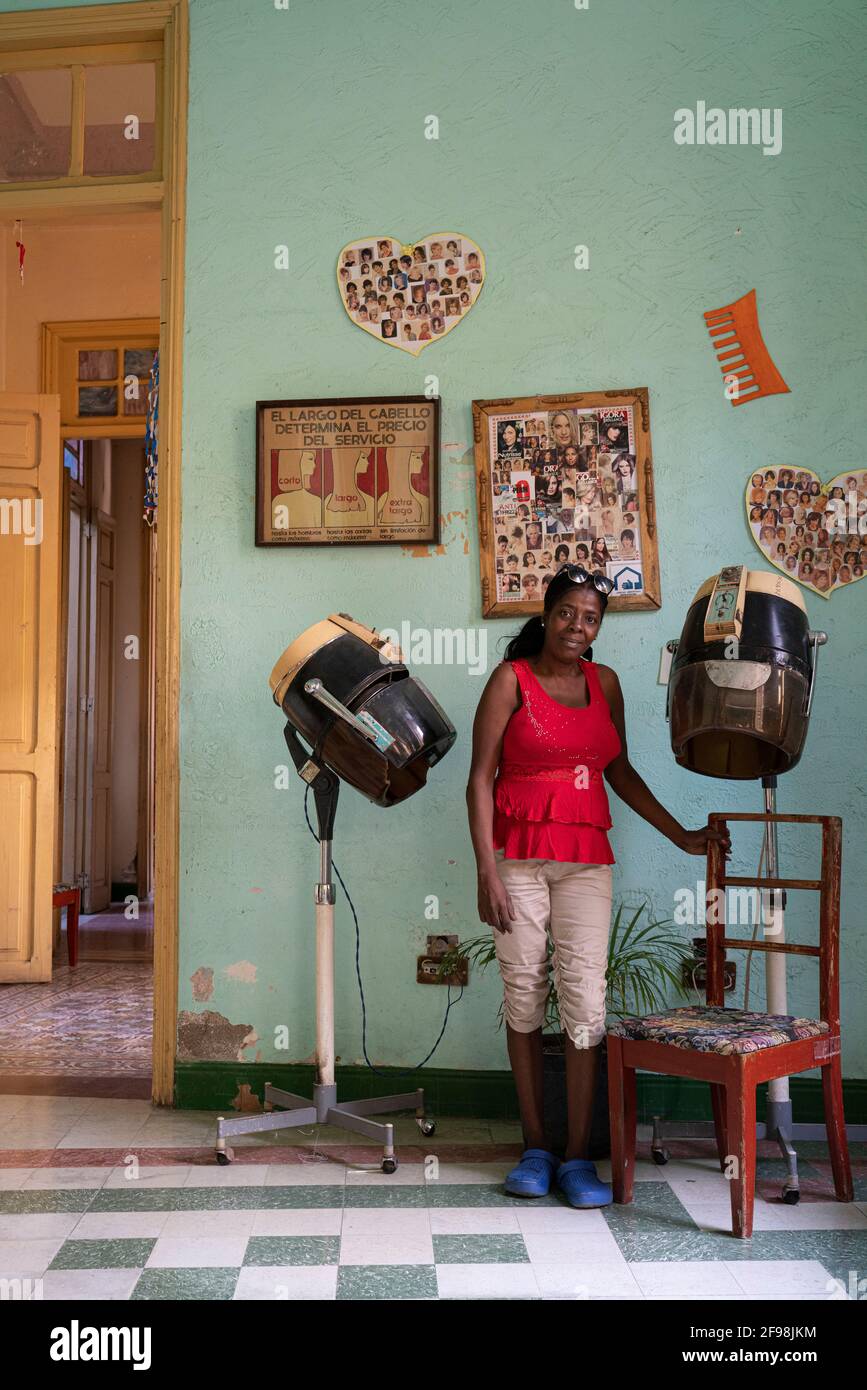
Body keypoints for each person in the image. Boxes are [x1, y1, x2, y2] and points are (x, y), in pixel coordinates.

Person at [466, 566, 730, 1208]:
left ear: (597, 628)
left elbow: (620, 771)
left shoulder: (603, 683)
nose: (577, 627)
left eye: (590, 619)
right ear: (547, 613)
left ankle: (578, 1158)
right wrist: (486, 871)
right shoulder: (511, 680)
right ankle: (535, 1149)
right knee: (524, 990)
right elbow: (478, 779)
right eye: (567, 613)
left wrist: (682, 836)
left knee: (586, 998)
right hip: (518, 858)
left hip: (586, 857)